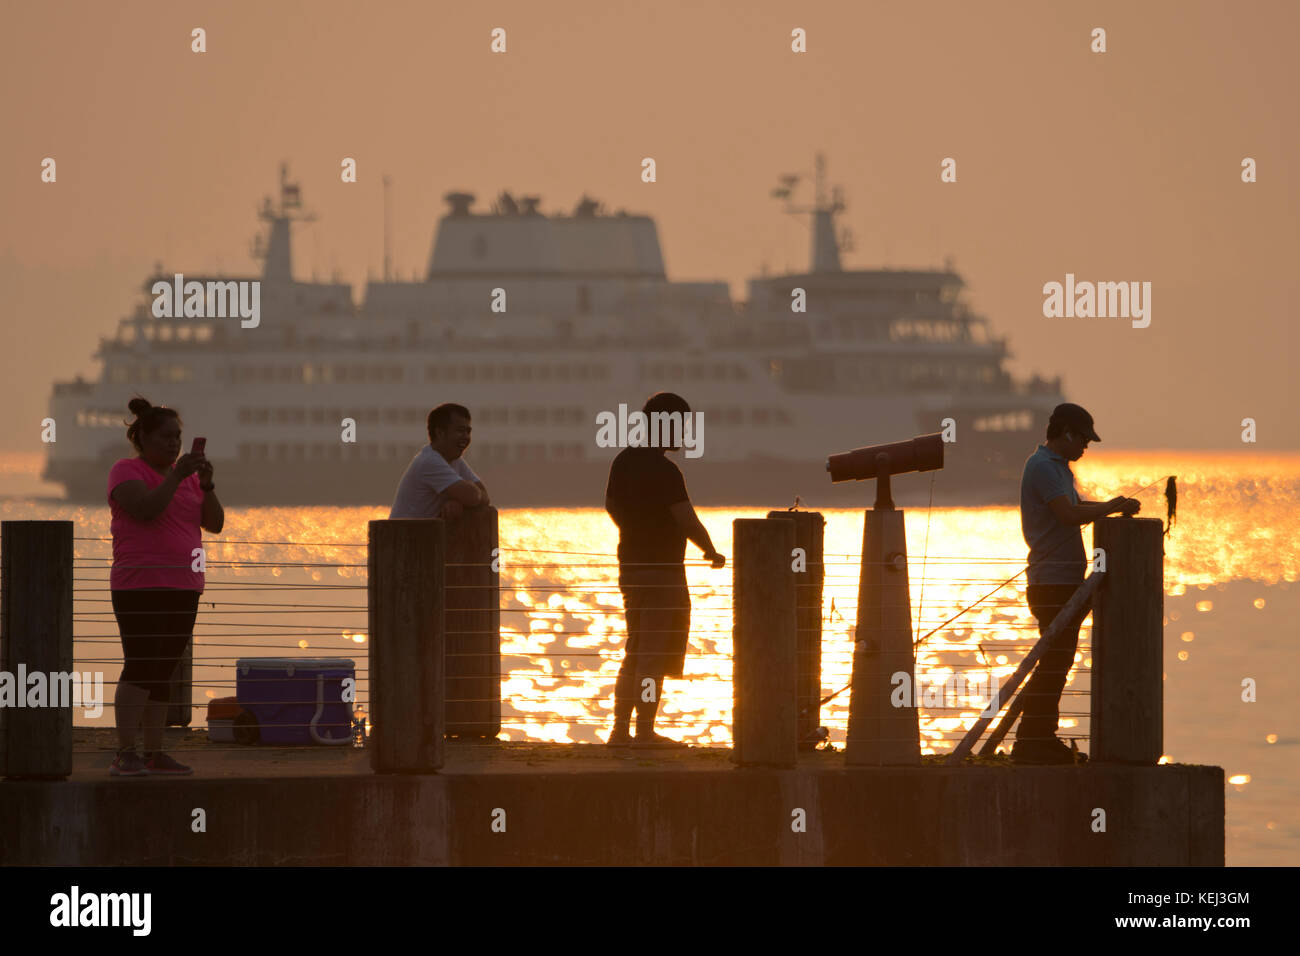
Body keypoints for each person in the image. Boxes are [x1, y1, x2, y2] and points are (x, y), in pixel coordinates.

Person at [1014, 402, 1138, 764]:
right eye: (1084, 439)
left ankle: (1038, 736)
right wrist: (1111, 506)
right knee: (1054, 662)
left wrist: (1112, 505)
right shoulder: (1042, 467)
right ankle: (1032, 740)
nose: (1086, 446)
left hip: (1064, 581)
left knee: (1058, 660)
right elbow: (1068, 515)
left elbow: (1077, 508)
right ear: (1066, 433)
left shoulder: (1058, 470)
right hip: (1050, 583)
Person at [107, 397, 224, 776]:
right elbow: (145, 509)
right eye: (166, 437)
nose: (174, 444)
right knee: (140, 665)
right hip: (140, 585)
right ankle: (125, 750)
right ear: (143, 437)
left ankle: (154, 751)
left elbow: (216, 523)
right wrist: (175, 477)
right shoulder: (126, 471)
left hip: (183, 584)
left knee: (163, 670)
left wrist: (205, 484)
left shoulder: (189, 479)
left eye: (178, 437)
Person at [603, 392, 726, 748]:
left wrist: (634, 528)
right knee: (653, 654)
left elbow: (611, 505)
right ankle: (644, 732)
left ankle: (619, 730)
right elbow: (686, 520)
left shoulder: (623, 460)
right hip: (664, 571)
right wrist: (711, 551)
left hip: (630, 565)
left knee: (636, 648)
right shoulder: (666, 471)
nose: (684, 434)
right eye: (681, 426)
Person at [390, 403, 490, 520]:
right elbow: (472, 496)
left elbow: (485, 497)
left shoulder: (454, 460)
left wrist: (457, 500)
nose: (466, 437)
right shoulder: (429, 461)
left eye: (468, 431)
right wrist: (463, 496)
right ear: (440, 433)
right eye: (460, 431)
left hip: (421, 534)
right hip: (403, 534)